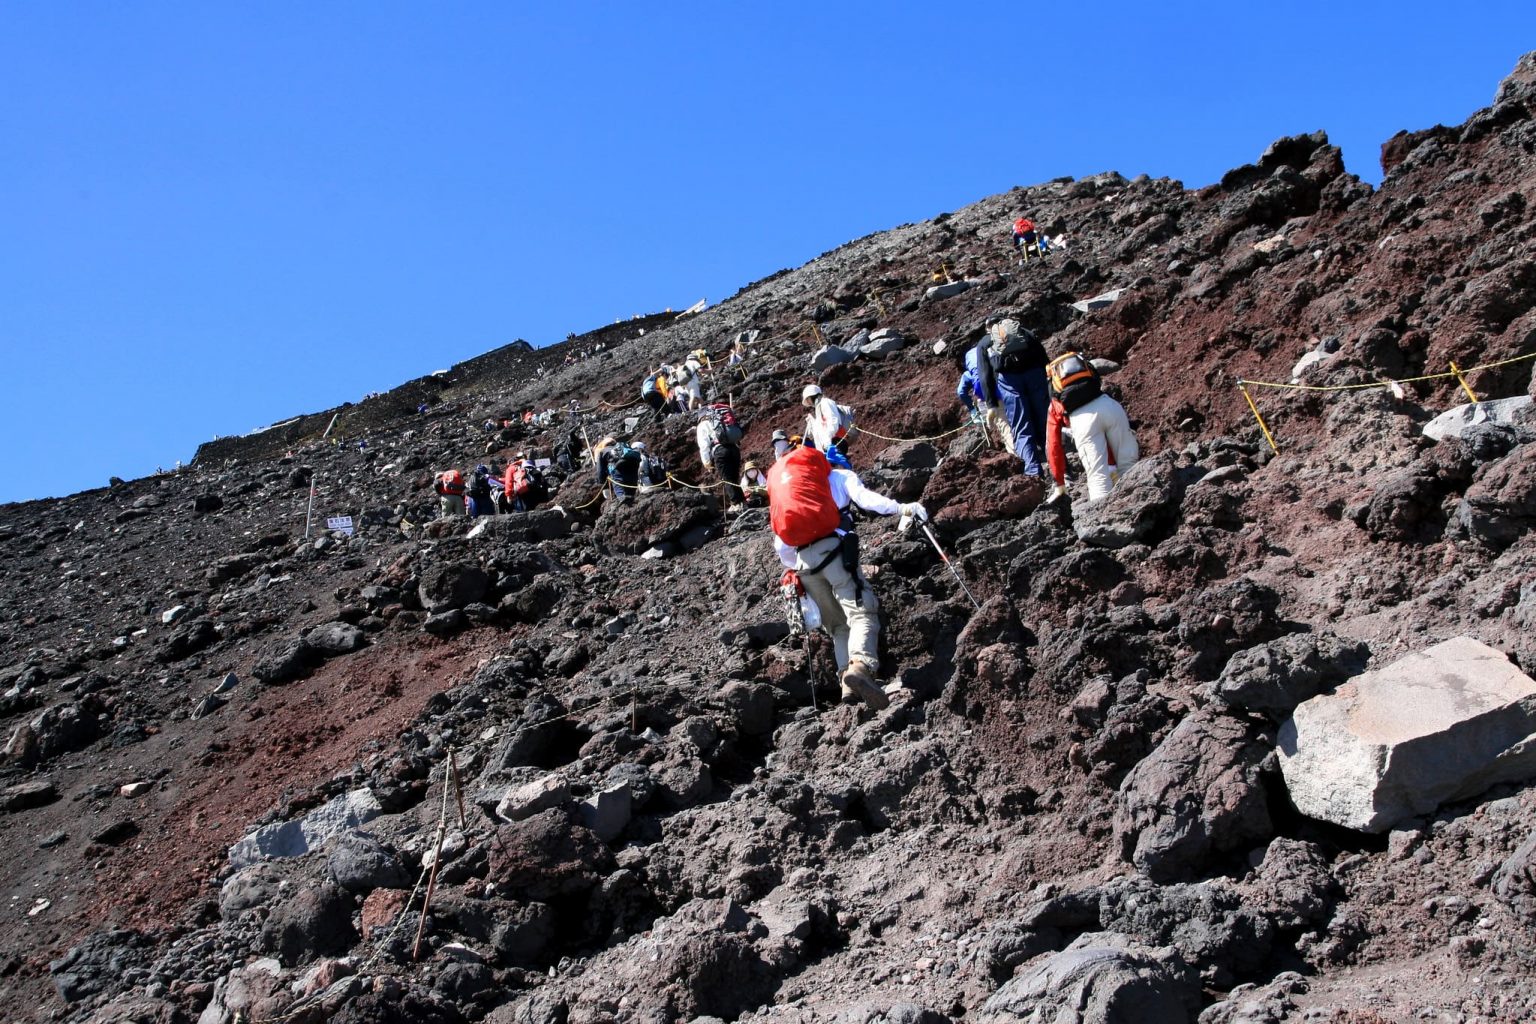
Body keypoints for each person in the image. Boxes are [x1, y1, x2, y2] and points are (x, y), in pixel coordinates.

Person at [767, 434, 927, 711]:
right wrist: (903, 508)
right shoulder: (838, 476)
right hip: (836, 553)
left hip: (804, 564)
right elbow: (867, 501)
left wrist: (796, 566)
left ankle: (847, 689)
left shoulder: (791, 489)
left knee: (838, 626)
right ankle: (862, 666)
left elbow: (781, 544)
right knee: (862, 612)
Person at [1044, 350, 1140, 503]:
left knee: (1098, 477)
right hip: (1110, 406)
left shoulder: (1055, 401)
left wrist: (1059, 482)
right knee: (1130, 465)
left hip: (1082, 422)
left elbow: (1053, 445)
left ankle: (1104, 521)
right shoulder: (1089, 380)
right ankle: (1144, 503)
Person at [974, 318, 1049, 479]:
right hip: (1035, 376)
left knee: (1022, 428)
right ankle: (1062, 470)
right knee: (1045, 424)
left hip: (1010, 383)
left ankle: (1033, 473)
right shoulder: (1023, 332)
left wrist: (991, 404)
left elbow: (984, 375)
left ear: (988, 328)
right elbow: (1043, 357)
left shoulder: (985, 342)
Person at [697, 401, 745, 511]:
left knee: (727, 479)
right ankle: (743, 502)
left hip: (720, 451)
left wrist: (707, 463)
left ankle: (736, 504)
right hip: (734, 448)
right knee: (734, 477)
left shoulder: (702, 425)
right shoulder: (720, 419)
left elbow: (704, 446)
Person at [801, 384, 856, 457]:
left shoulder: (825, 402)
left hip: (835, 442)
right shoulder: (819, 408)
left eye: (807, 399)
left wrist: (828, 444)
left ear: (812, 396)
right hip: (831, 444)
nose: (808, 402)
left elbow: (833, 422)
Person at [594, 436, 643, 505]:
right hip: (633, 466)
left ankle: (625, 505)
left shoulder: (603, 451)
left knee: (620, 491)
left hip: (618, 469)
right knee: (631, 489)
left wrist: (602, 481)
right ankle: (633, 501)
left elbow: (600, 470)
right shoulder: (623, 445)